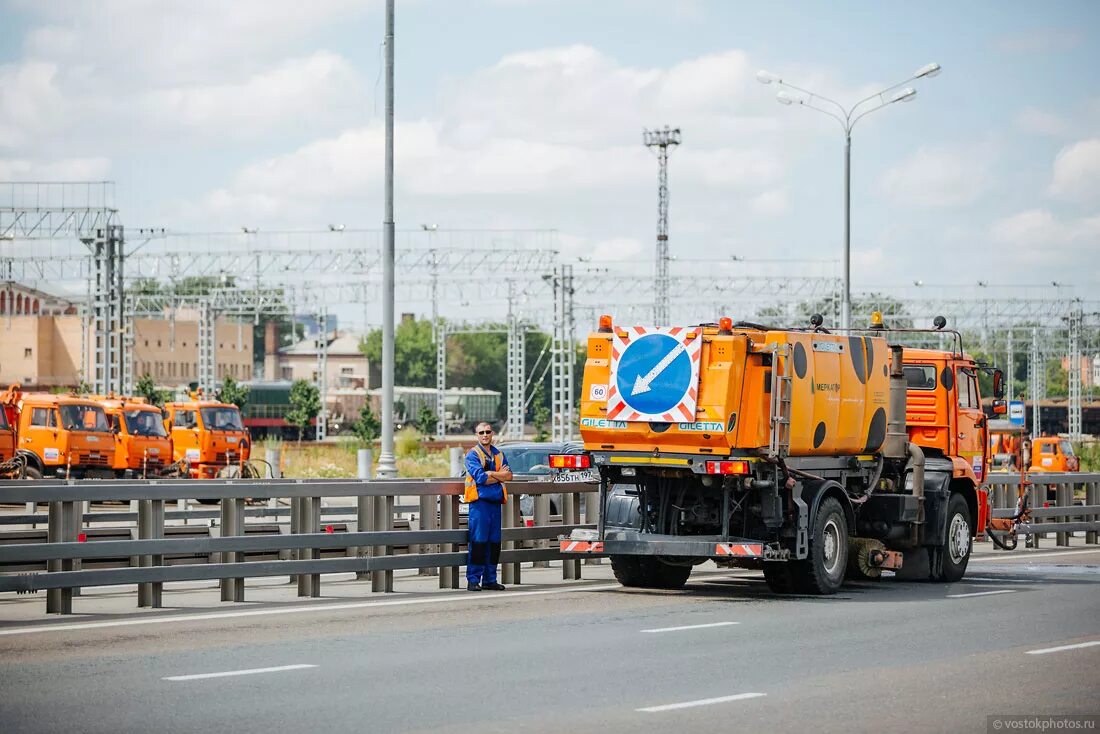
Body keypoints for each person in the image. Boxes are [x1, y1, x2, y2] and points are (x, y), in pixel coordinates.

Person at [463, 422, 512, 591]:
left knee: (494, 543)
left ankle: (490, 580)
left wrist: (491, 473)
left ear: (492, 433)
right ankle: (473, 580)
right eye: (481, 432)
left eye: (488, 431)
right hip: (479, 504)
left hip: (495, 503)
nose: (485, 435)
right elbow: (481, 478)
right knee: (478, 542)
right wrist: (499, 475)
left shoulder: (499, 454)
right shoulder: (472, 455)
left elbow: (509, 475)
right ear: (477, 435)